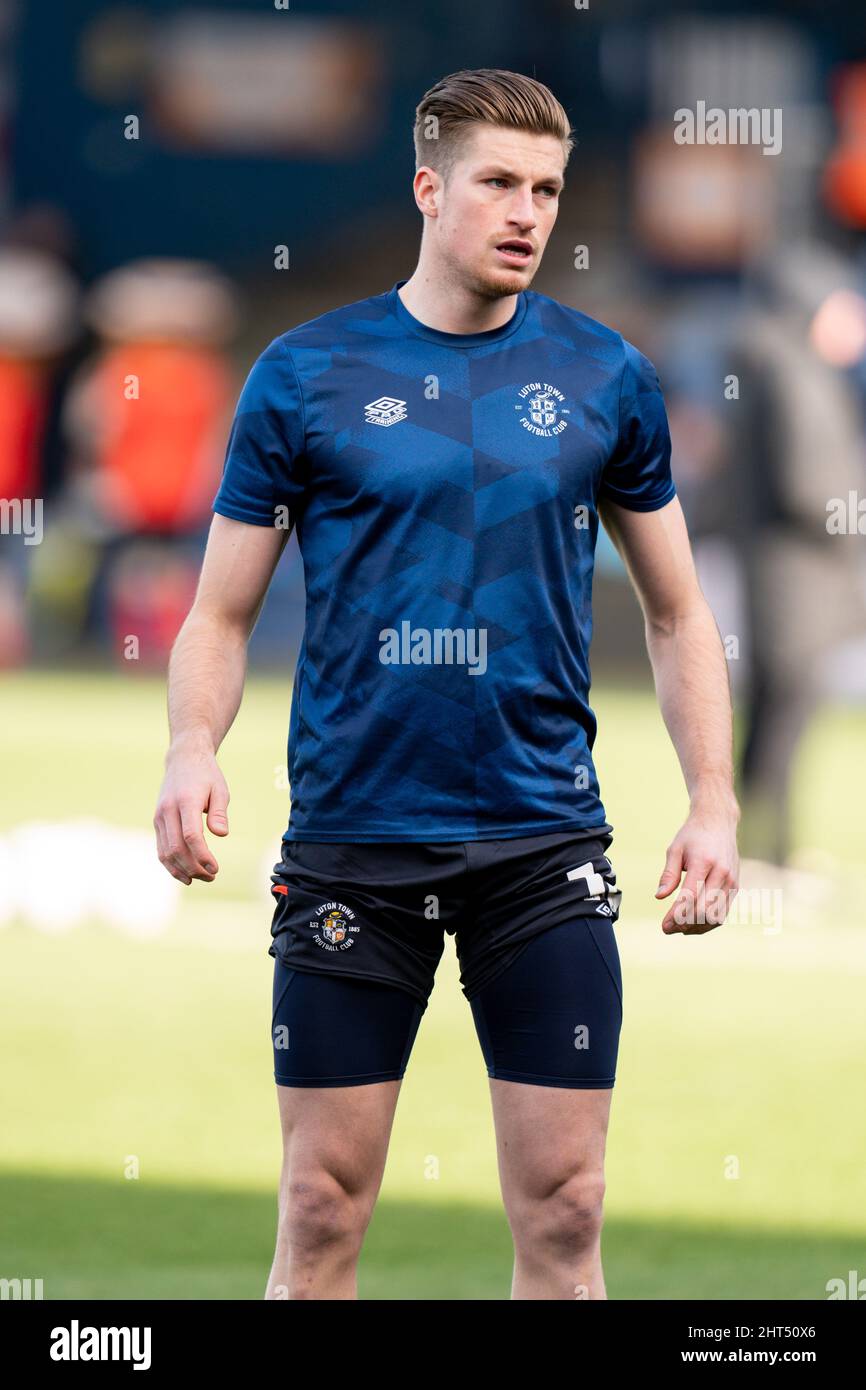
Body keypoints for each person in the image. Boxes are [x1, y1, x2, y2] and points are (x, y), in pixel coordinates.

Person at [154, 68, 740, 1301]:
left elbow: (681, 611)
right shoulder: (304, 373)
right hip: (352, 844)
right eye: (497, 184)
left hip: (541, 844)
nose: (526, 212)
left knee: (567, 1211)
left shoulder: (605, 377)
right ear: (428, 188)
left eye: (545, 189)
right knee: (318, 1211)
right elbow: (218, 611)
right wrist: (190, 748)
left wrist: (713, 803)